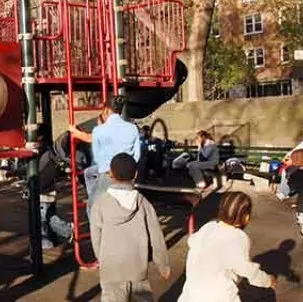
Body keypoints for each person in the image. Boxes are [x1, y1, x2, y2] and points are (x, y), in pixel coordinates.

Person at [90, 153, 170, 302]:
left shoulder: (100, 203)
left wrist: (101, 258)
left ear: (110, 174)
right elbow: (156, 236)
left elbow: (96, 237)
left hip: (111, 269)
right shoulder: (143, 203)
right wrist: (163, 265)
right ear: (136, 174)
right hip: (137, 268)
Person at [178, 191, 274, 302]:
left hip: (190, 295)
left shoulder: (208, 227)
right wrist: (267, 280)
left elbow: (192, 241)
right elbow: (245, 268)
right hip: (219, 296)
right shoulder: (239, 237)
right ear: (246, 217)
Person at [69, 96, 140, 210]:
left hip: (109, 174)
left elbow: (90, 143)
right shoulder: (133, 128)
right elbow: (137, 155)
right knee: (125, 206)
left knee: (93, 208)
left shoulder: (100, 129)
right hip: (128, 174)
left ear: (106, 110)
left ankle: (93, 199)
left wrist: (73, 131)